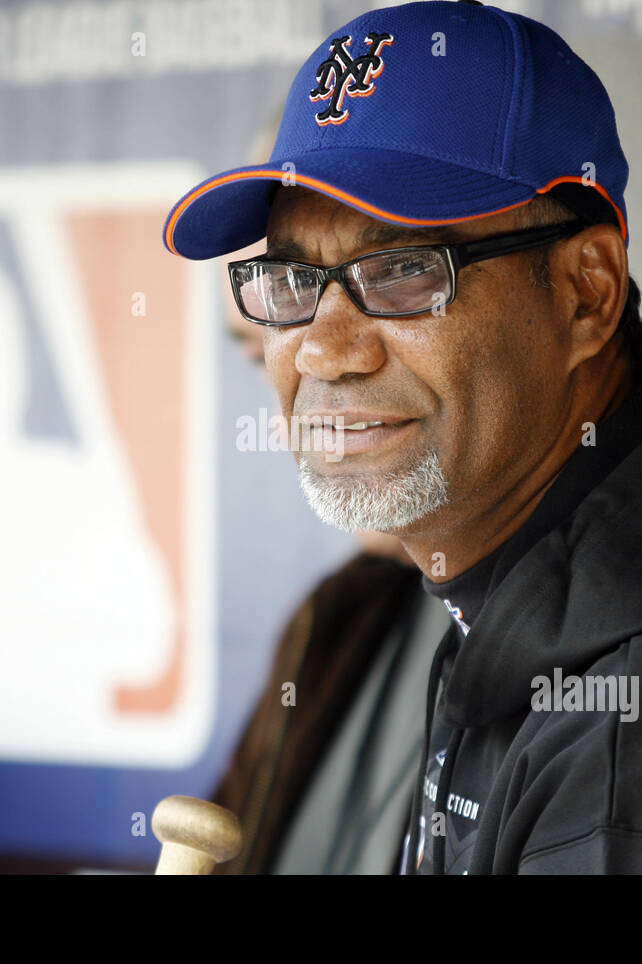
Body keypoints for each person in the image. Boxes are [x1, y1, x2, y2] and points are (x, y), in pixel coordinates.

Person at [163, 0, 642, 873]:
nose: (323, 349)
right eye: (293, 280)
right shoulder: (534, 592)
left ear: (586, 293)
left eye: (406, 269)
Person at [213, 224, 451, 875]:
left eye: (391, 274)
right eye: (264, 341)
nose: (319, 359)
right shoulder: (334, 616)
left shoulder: (608, 636)